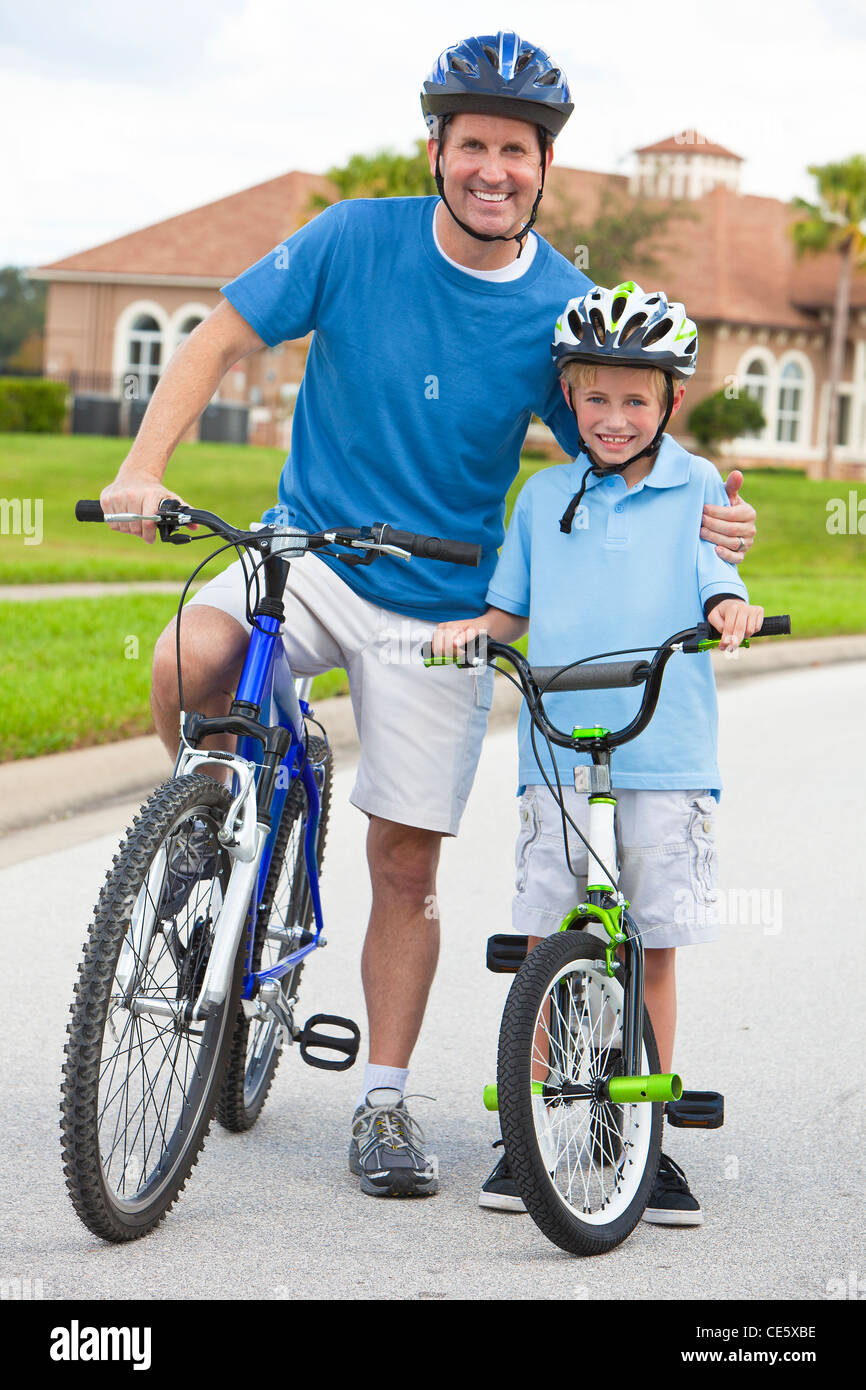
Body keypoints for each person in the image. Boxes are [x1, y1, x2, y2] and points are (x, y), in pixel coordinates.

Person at [98, 32, 756, 1200]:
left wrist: (706, 508)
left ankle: (383, 1101)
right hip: (309, 549)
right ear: (437, 150)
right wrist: (145, 469)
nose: (490, 168)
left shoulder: (559, 301)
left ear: (542, 166)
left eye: (515, 149)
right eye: (471, 146)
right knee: (183, 659)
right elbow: (217, 336)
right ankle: (211, 844)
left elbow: (617, 424)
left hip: (444, 599)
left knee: (403, 862)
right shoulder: (354, 237)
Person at [432, 280, 764, 1222]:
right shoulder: (543, 496)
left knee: (653, 940)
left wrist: (730, 608)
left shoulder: (697, 484)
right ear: (568, 399)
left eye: (636, 399)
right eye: (596, 398)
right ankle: (528, 1134)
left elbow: (718, 579)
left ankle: (644, 1140)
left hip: (663, 749)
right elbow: (511, 607)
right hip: (555, 746)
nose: (613, 418)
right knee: (547, 933)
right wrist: (475, 632)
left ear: (669, 403)